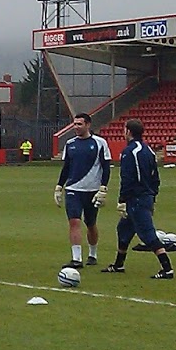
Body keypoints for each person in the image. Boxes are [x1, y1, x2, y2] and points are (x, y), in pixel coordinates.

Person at [103, 118, 173, 279]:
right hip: (145, 196)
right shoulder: (148, 150)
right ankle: (119, 264)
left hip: (136, 199)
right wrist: (153, 196)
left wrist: (122, 200)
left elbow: (127, 178)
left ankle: (167, 269)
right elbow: (156, 178)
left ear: (128, 131)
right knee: (123, 229)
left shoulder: (129, 152)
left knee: (147, 234)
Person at [54, 113, 112, 269]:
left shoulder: (100, 143)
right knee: (74, 221)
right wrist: (59, 186)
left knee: (91, 223)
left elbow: (106, 167)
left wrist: (103, 187)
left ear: (88, 125)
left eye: (79, 124)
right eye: (75, 124)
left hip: (92, 190)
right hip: (73, 190)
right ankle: (76, 258)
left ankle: (93, 254)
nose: (76, 127)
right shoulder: (70, 144)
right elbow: (66, 168)